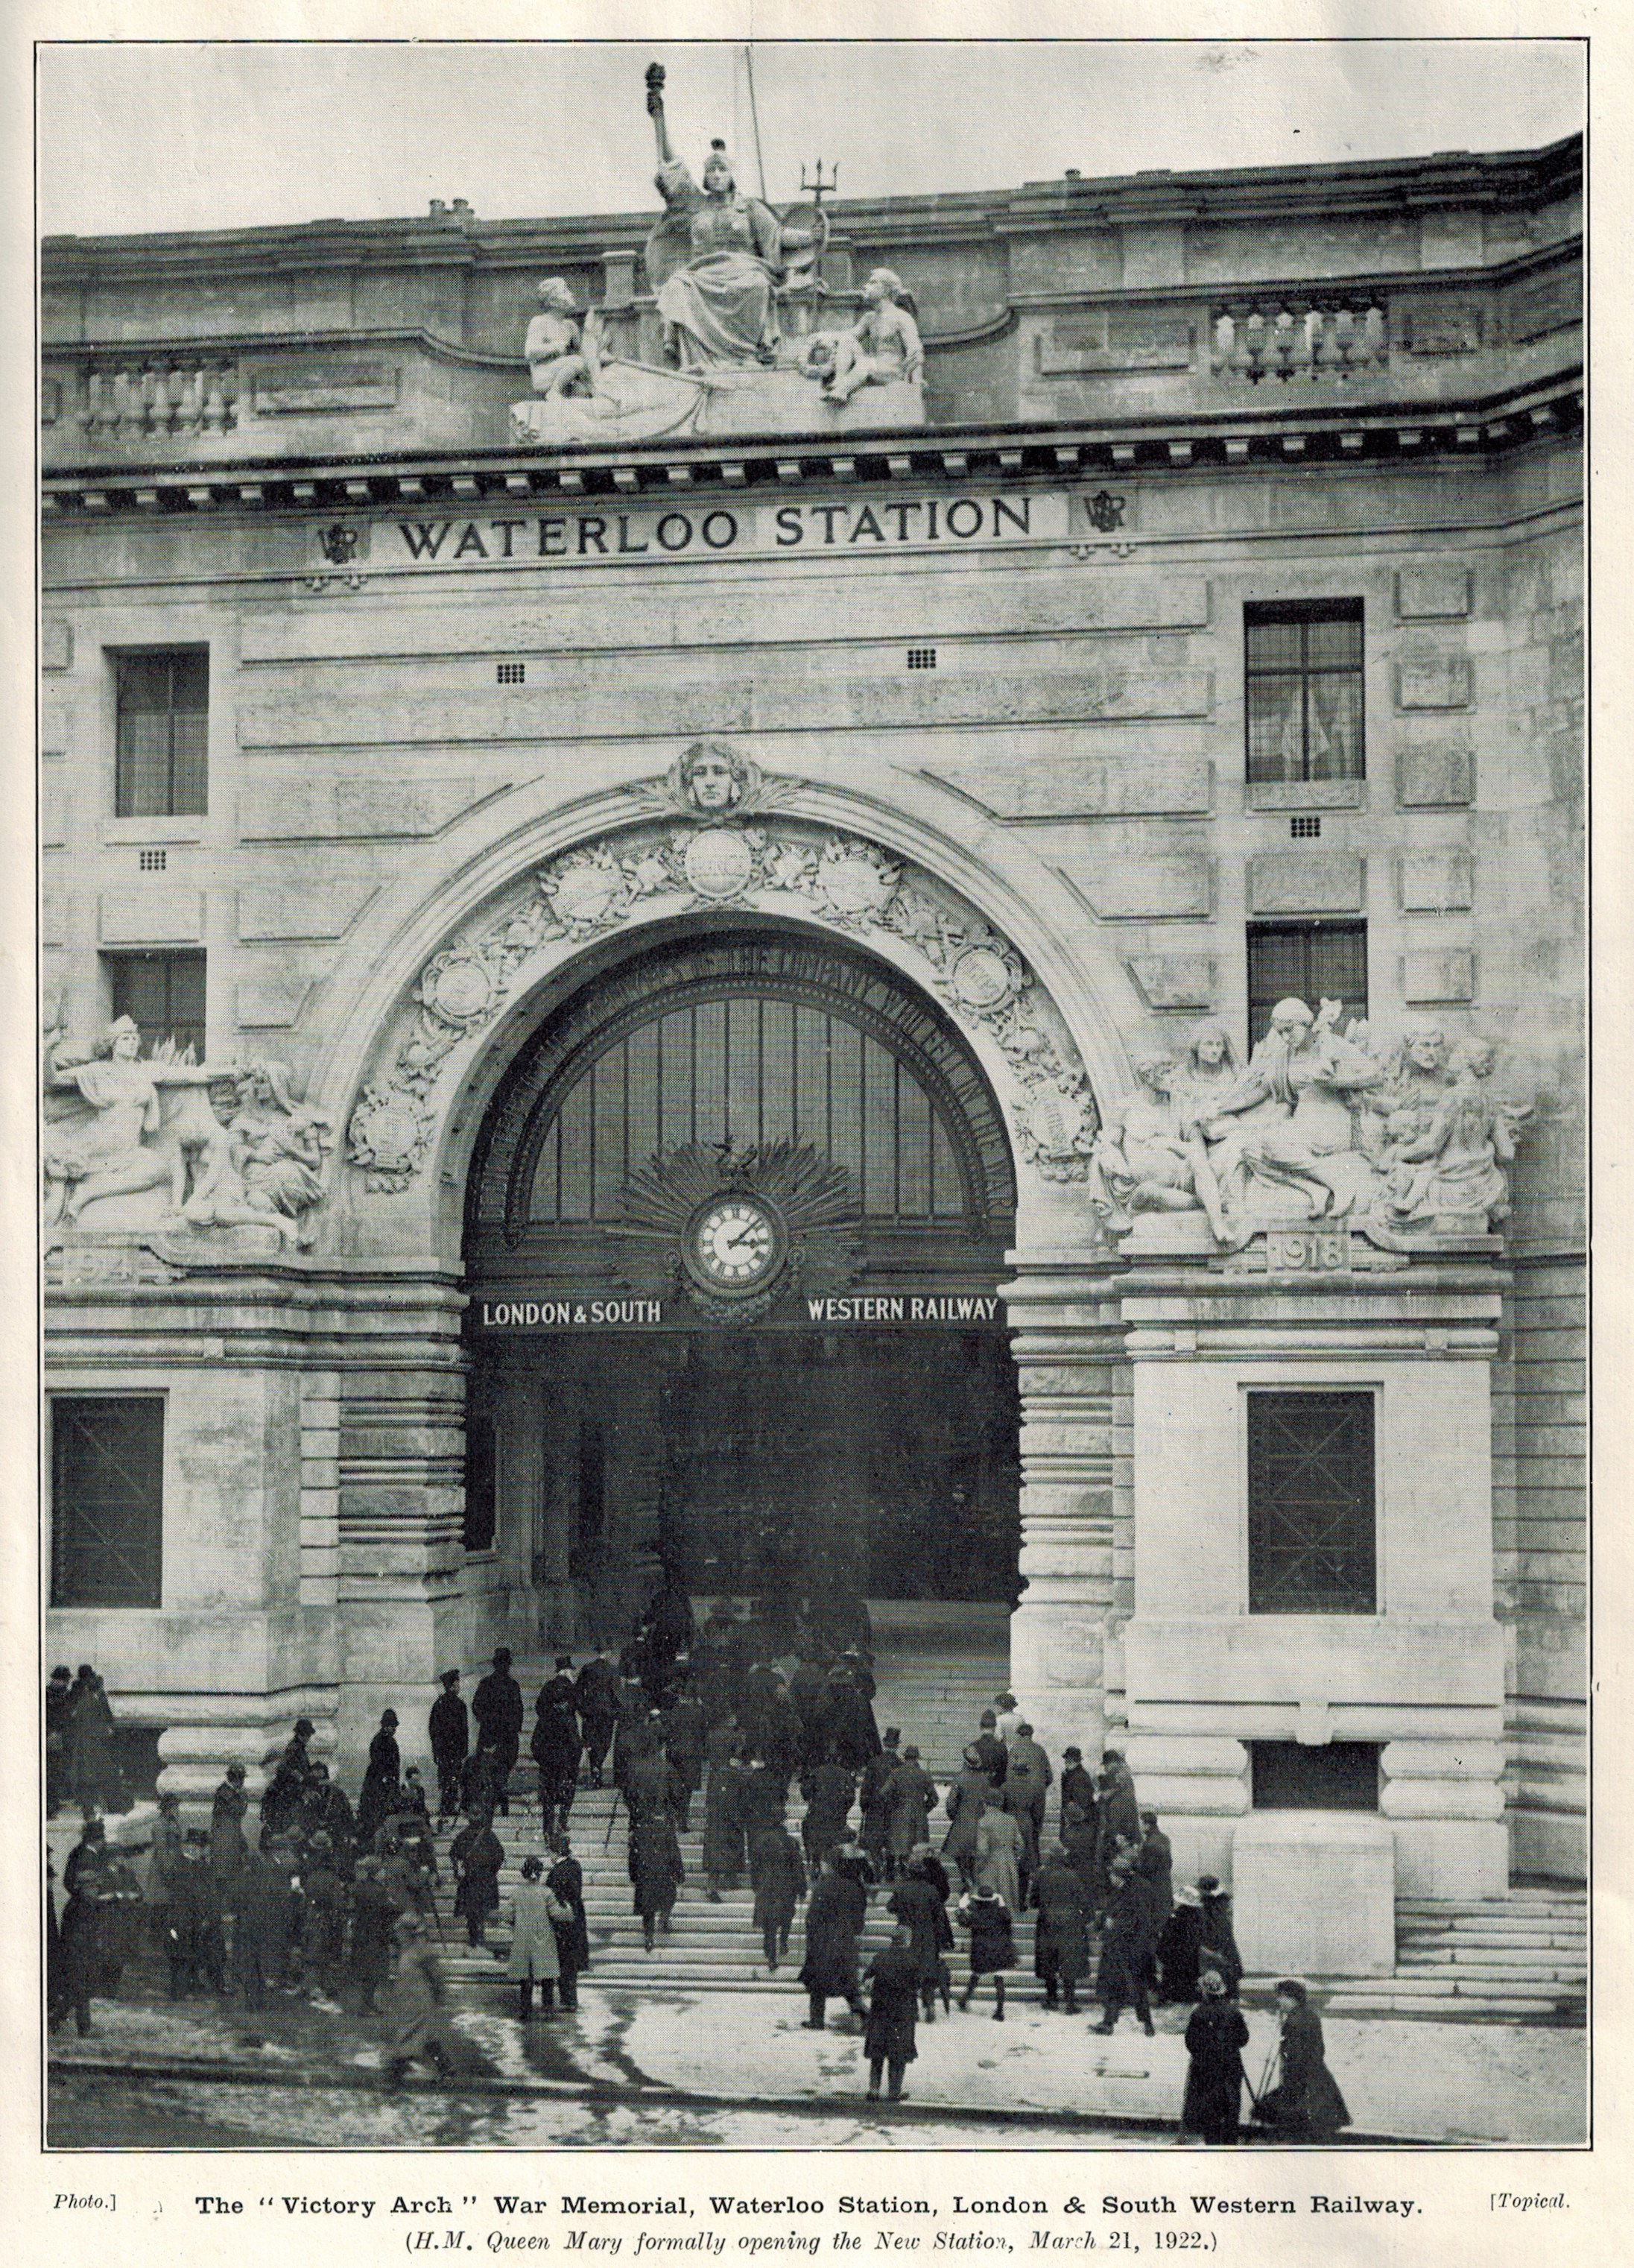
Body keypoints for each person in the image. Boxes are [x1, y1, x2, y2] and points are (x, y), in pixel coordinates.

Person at [1255, 1980, 1352, 2141]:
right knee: (1315, 2125)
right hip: (1317, 2075)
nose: (1278, 2001)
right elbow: (1320, 2049)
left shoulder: (1293, 2020)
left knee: (1297, 2124)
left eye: (1281, 1997)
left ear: (1292, 1998)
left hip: (1299, 2078)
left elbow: (1294, 2055)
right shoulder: (1311, 2015)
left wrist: (1290, 2076)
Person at [823, 269, 925, 406]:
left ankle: (842, 391)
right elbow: (850, 335)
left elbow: (915, 351)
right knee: (847, 339)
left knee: (866, 363)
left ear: (886, 290)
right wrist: (825, 336)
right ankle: (839, 381)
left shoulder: (902, 318)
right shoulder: (869, 318)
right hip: (873, 365)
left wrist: (915, 380)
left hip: (893, 371)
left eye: (873, 283)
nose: (866, 286)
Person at [384, 1912, 457, 2087]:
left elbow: (436, 1976)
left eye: (400, 1932)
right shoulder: (408, 1950)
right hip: (409, 2000)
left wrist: (440, 1995)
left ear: (408, 1932)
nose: (398, 1935)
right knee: (425, 2038)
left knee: (406, 2038)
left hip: (419, 2001)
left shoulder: (422, 1950)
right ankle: (445, 2067)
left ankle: (393, 2079)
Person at [799, 1850, 868, 2029]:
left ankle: (817, 2020)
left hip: (823, 1940)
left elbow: (813, 1917)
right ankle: (860, 2013)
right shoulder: (852, 1887)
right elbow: (859, 1917)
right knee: (847, 1981)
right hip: (845, 1939)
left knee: (817, 1982)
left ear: (829, 1865)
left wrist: (811, 1935)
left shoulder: (823, 1887)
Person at [1182, 1971, 1251, 2144]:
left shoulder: (1199, 2013)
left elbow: (1191, 2042)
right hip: (1231, 2066)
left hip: (1206, 2069)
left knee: (1210, 2113)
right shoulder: (1234, 2012)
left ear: (1205, 1991)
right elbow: (1243, 2039)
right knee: (1230, 2107)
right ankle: (1230, 2145)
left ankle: (1212, 2147)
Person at [1093, 1850, 1156, 2036]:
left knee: (1128, 1986)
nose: (1110, 1879)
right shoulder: (1128, 1888)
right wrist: (1103, 1923)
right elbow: (1112, 1912)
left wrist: (1114, 1925)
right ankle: (1113, 2023)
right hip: (1126, 1946)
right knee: (1123, 1985)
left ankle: (1143, 2024)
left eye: (1112, 1875)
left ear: (1119, 1875)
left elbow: (1137, 1919)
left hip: (1129, 1947)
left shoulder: (1134, 1890)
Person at [887, 1850, 954, 2023]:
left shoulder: (902, 1888)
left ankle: (913, 2011)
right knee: (928, 1973)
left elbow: (890, 1907)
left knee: (908, 1973)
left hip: (906, 1935)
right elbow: (939, 1918)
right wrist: (941, 1941)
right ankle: (930, 2005)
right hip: (927, 1936)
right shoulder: (931, 1891)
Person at [862, 1924, 921, 2103]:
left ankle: (873, 2090)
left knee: (877, 2053)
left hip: (880, 2011)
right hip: (902, 2014)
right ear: (907, 1941)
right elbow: (918, 1984)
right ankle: (894, 2091)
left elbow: (866, 1977)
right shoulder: (912, 1960)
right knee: (898, 2054)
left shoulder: (880, 1957)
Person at [1032, 1840, 1091, 2013]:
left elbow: (1033, 1901)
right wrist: (1086, 1918)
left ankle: (1052, 2000)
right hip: (1070, 1923)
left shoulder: (1041, 1875)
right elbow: (1082, 1900)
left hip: (1047, 1922)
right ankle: (1071, 2003)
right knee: (1069, 1961)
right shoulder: (1072, 1876)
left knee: (1048, 1960)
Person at [508, 1854, 569, 2020]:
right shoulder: (546, 1893)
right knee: (547, 1975)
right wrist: (568, 1909)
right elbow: (556, 1914)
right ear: (540, 1873)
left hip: (523, 1937)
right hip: (543, 1937)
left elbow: (508, 1917)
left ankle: (525, 2009)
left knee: (525, 1976)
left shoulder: (516, 1893)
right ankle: (547, 2008)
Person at [750, 1815, 807, 1974]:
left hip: (767, 1886)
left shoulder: (760, 1842)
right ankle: (783, 1941)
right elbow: (797, 1867)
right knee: (786, 1915)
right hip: (786, 1886)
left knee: (769, 1921)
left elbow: (754, 1866)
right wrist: (802, 1888)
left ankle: (771, 1956)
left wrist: (755, 1884)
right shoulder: (790, 1842)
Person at [472, 1647, 524, 1816]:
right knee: (502, 1771)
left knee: (490, 1771)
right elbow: (518, 1713)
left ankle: (494, 1801)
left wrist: (487, 1721)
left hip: (489, 1736)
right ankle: (501, 1802)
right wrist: (512, 1728)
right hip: (506, 1738)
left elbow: (477, 1708)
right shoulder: (512, 1685)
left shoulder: (485, 1684)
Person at [349, 1855, 401, 2014]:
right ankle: (367, 2005)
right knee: (374, 1970)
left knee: (366, 1969)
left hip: (362, 1932)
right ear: (377, 1871)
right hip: (376, 1934)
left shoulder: (360, 1887)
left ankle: (368, 2003)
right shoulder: (379, 1890)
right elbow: (387, 1910)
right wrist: (396, 1907)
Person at [629, 1806, 685, 1951]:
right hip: (663, 1873)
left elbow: (633, 1856)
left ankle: (649, 1936)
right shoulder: (667, 1831)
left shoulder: (639, 1832)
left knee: (648, 1909)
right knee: (668, 1898)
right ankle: (664, 1919)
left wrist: (634, 1875)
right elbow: (674, 1853)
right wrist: (679, 1873)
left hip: (646, 1874)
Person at [956, 1883, 1013, 2021]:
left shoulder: (976, 1913)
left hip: (981, 1948)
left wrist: (961, 1908)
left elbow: (963, 1922)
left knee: (976, 1975)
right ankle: (1000, 2011)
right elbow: (1008, 1920)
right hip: (999, 1947)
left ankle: (964, 1999)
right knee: (999, 1979)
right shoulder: (1001, 1912)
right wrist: (1002, 1904)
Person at [702, 1726, 747, 1899]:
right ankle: (729, 1879)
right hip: (730, 1814)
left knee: (717, 1843)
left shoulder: (718, 1771)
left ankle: (715, 1881)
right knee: (730, 1842)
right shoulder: (736, 1772)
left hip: (718, 1814)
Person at [450, 1807, 504, 1948]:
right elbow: (500, 1856)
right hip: (483, 1878)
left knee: (472, 1909)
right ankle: (478, 1933)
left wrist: (457, 1871)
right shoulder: (489, 1835)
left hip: (471, 1878)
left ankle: (474, 1934)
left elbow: (453, 1854)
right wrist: (492, 1872)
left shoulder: (463, 1835)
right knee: (480, 1908)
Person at [532, 1686, 582, 1837]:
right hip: (565, 1767)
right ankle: (562, 1821)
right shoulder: (569, 1721)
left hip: (548, 1766)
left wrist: (542, 1760)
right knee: (567, 1794)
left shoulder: (543, 1721)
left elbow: (535, 1744)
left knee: (548, 1800)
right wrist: (573, 1763)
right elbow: (576, 1745)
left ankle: (548, 1830)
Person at [546, 1836, 590, 2009]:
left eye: (550, 1852)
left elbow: (554, 1894)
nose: (549, 1856)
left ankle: (567, 2000)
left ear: (557, 1852)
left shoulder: (557, 1871)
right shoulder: (575, 1866)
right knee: (570, 1962)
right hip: (575, 1917)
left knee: (563, 1960)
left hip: (563, 1919)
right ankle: (570, 1999)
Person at [886, 1745, 939, 1877]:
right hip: (919, 1814)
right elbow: (934, 1798)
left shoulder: (896, 1773)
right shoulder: (924, 1775)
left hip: (900, 1812)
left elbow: (884, 1793)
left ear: (905, 1757)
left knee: (901, 1845)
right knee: (917, 1847)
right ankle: (915, 1873)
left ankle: (899, 1871)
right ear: (917, 1758)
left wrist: (894, 1806)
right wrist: (924, 1808)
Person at [801, 1751, 857, 1869]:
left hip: (818, 1817)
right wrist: (843, 1811)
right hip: (838, 1818)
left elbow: (805, 1794)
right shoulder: (845, 1774)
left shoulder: (815, 1773)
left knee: (807, 1829)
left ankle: (814, 1863)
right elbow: (851, 1797)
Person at [574, 1649, 619, 1789]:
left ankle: (595, 1769)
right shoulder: (613, 1670)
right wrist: (617, 1711)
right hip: (607, 1713)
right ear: (608, 1653)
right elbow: (616, 1693)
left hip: (590, 1712)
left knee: (592, 1742)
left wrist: (582, 1709)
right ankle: (597, 1768)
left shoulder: (588, 1668)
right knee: (604, 1742)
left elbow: (578, 1690)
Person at [859, 1729, 902, 1875]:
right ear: (897, 1746)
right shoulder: (900, 1765)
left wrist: (864, 1805)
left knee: (874, 1840)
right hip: (894, 1809)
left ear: (884, 1744)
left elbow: (866, 1788)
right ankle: (889, 1869)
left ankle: (878, 1866)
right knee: (890, 1841)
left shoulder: (874, 1763)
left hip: (875, 1807)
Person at [973, 1795, 1024, 1918]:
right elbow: (1020, 1844)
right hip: (1008, 1862)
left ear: (985, 1804)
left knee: (991, 1903)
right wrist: (1013, 1858)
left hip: (991, 1864)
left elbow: (982, 1850)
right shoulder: (1011, 1819)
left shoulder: (983, 1822)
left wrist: (978, 1868)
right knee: (1008, 1901)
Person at [429, 1670, 469, 1824]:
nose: (459, 1685)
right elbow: (463, 1730)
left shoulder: (439, 1704)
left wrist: (436, 1749)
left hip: (444, 1749)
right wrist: (463, 1749)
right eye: (457, 1683)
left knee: (445, 1777)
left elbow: (433, 1730)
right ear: (452, 1685)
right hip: (453, 1749)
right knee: (452, 1777)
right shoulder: (459, 1705)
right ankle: (448, 1805)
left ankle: (447, 1805)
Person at [1157, 1883, 1206, 2004]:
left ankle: (1171, 1996)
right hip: (1191, 1954)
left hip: (1175, 1954)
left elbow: (1167, 1936)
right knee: (1189, 1976)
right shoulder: (1198, 1916)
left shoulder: (1176, 1916)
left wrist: (1162, 1951)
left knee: (1173, 1976)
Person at [1197, 1875, 1244, 1998]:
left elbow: (1210, 1929)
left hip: (1214, 1944)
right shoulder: (1221, 1902)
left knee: (1218, 1972)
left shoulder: (1208, 1905)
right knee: (1228, 1971)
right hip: (1225, 1943)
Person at [210, 1761, 250, 1886]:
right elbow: (240, 1810)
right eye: (242, 1778)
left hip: (231, 1837)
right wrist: (242, 1795)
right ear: (236, 1778)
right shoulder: (225, 1793)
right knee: (223, 1877)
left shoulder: (233, 1792)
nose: (243, 1782)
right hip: (224, 1840)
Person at [45, 1665, 74, 1815]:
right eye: (66, 1680)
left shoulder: (60, 1694)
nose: (67, 1683)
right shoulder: (50, 1694)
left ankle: (53, 1802)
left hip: (57, 1738)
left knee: (55, 1771)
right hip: (52, 1738)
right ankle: (51, 1804)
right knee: (52, 1771)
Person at [1059, 1745, 1098, 1841]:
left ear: (1077, 1761)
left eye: (1071, 1760)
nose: (1067, 1762)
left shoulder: (1080, 1776)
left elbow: (1082, 1802)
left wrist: (1071, 1816)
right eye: (1067, 1759)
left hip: (1078, 1821)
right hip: (1071, 1818)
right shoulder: (1069, 1774)